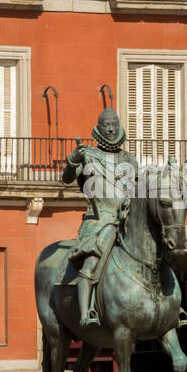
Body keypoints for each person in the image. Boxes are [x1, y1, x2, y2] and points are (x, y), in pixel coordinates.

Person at [62, 107, 138, 328]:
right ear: (99, 128)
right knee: (91, 261)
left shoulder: (129, 159)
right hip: (99, 219)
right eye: (107, 125)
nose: (111, 129)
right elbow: (66, 178)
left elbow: (137, 191)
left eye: (114, 124)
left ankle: (171, 309)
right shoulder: (87, 155)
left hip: (127, 220)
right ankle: (86, 313)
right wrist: (73, 159)